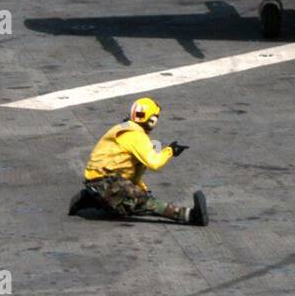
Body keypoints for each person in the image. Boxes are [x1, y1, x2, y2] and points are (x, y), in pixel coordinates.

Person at [70, 97, 207, 226]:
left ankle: (91, 198)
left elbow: (130, 166)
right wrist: (170, 150)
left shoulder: (124, 127)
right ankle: (191, 216)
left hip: (99, 180)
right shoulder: (136, 136)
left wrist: (139, 186)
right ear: (151, 119)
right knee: (143, 202)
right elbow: (154, 163)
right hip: (106, 182)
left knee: (135, 194)